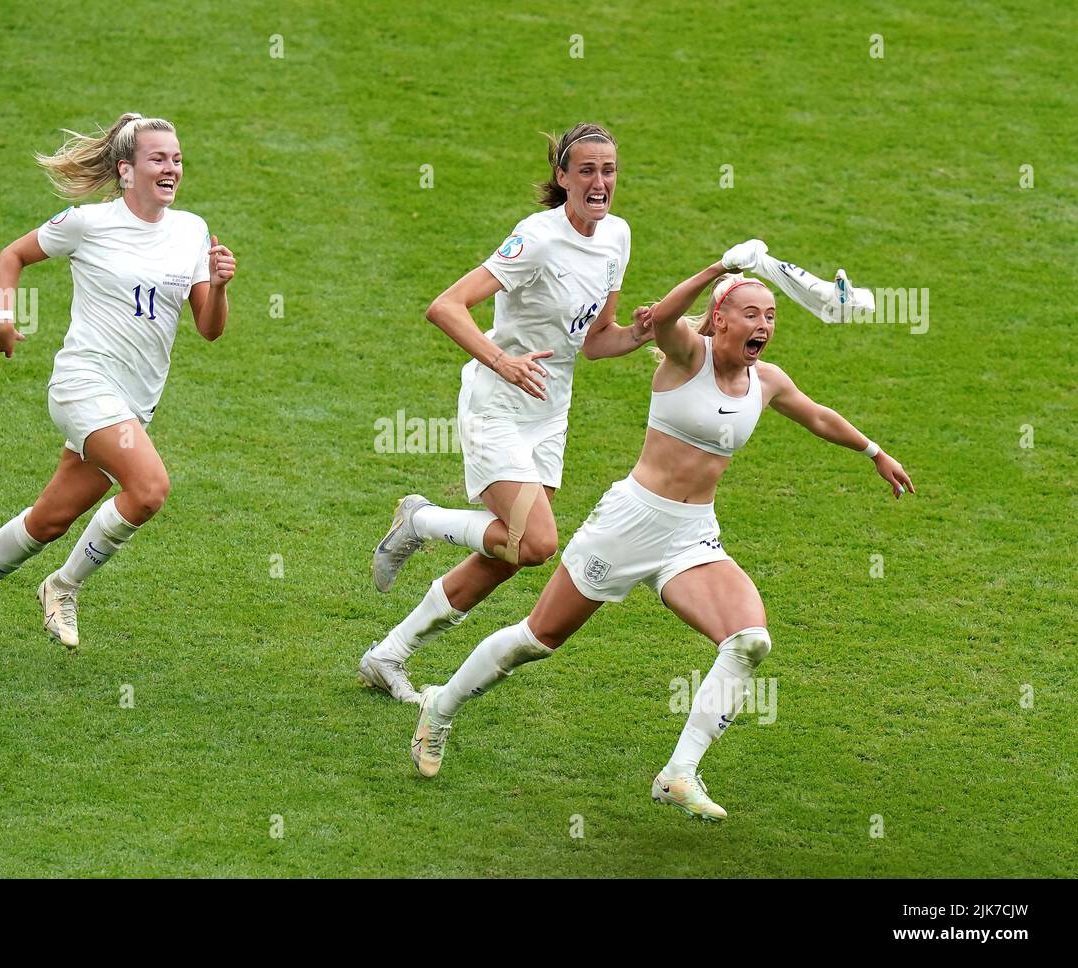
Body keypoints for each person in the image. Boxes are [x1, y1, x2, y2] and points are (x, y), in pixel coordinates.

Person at [409, 241, 915, 825]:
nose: (764, 325)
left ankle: (678, 774)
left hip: (691, 534)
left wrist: (873, 451)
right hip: (627, 525)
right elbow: (666, 317)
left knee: (749, 640)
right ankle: (440, 710)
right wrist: (720, 267)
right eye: (752, 314)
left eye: (772, 316)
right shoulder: (686, 355)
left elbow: (818, 414)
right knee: (536, 640)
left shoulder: (766, 380)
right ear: (721, 318)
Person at [0, 112, 236, 649]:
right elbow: (13, 255)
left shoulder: (191, 231)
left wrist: (223, 285)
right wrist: (2, 317)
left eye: (177, 159)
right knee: (149, 489)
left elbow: (209, 328)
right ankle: (63, 587)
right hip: (82, 383)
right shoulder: (88, 223)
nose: (172, 169)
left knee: (50, 520)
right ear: (126, 170)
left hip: (134, 403)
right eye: (158, 159)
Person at [361, 123, 648, 703]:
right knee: (537, 543)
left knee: (510, 554)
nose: (599, 182)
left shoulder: (616, 236)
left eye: (608, 170)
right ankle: (419, 522)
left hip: (550, 410)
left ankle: (388, 654)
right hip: (497, 403)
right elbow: (446, 306)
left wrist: (639, 335)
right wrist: (501, 361)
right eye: (586, 170)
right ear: (562, 177)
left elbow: (595, 341)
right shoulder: (537, 239)